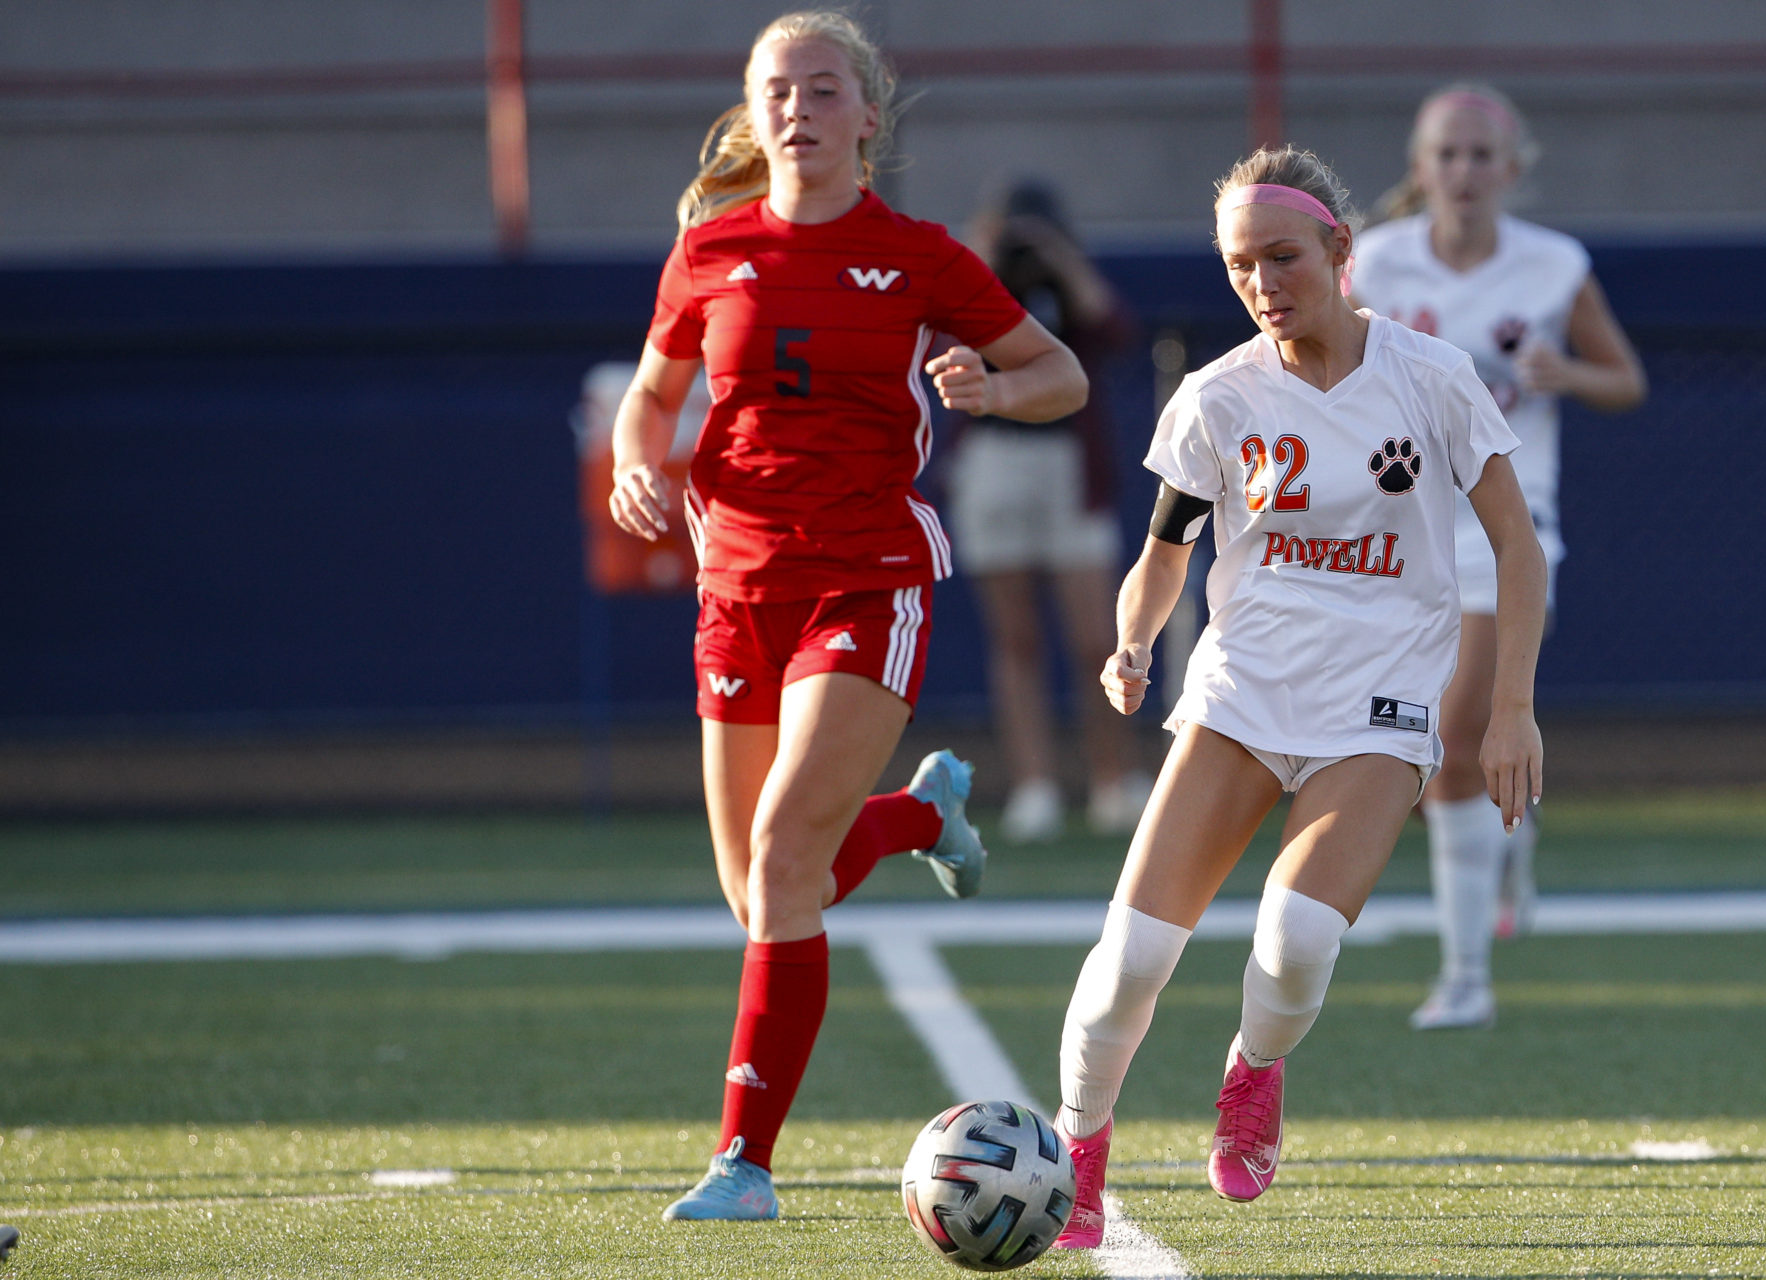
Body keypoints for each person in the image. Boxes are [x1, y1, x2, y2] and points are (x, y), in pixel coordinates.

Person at [608, 11, 1087, 1222]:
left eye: (823, 91)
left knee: (782, 864)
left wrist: (994, 385)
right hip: (736, 590)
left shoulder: (918, 255)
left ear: (867, 116)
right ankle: (925, 811)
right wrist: (638, 460)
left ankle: (744, 1163)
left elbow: (1061, 374)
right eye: (778, 89)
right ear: (752, 108)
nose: (797, 110)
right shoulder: (709, 250)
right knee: (768, 886)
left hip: (865, 576)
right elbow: (654, 392)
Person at [1049, 144, 1546, 1248]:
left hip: (1381, 704)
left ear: (1339, 251)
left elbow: (1517, 545)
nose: (1263, 284)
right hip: (1241, 694)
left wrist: (1510, 705)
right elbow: (1165, 551)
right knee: (1132, 956)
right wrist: (1133, 640)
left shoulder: (1431, 377)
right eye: (1239, 266)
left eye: (1283, 257)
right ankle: (1077, 1151)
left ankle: (1253, 1069)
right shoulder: (1216, 398)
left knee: (1293, 938)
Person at [1350, 84, 1646, 1030]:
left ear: (1512, 168)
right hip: (1400, 530)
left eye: (1482, 155)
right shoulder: (1379, 262)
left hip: (1507, 529)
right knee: (1422, 741)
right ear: (1420, 167)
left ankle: (1466, 975)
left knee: (1457, 736)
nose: (1464, 172)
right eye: (1447, 154)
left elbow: (1626, 380)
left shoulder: (1554, 265)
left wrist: (1569, 373)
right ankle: (1504, 848)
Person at [947, 178, 1154, 842]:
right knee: (1016, 641)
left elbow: (1115, 328)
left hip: (1069, 468)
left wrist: (1060, 257)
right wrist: (985, 249)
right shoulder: (983, 280)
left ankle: (1112, 780)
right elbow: (941, 329)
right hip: (995, 463)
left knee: (1099, 637)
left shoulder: (1071, 282)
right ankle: (1034, 787)